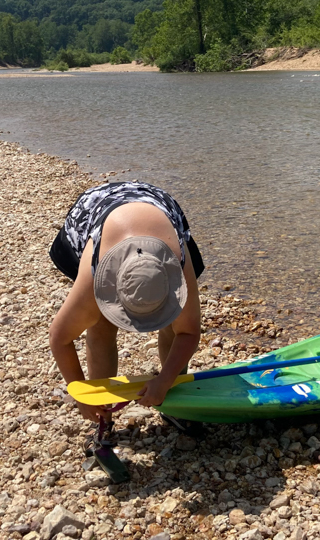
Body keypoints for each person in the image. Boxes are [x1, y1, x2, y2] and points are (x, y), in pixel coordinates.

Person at [48, 182, 204, 425]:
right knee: (101, 326)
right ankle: (103, 419)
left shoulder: (179, 263)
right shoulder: (93, 281)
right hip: (95, 210)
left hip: (155, 203)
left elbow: (189, 331)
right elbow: (60, 338)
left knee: (174, 324)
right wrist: (82, 395)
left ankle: (174, 403)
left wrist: (164, 381)